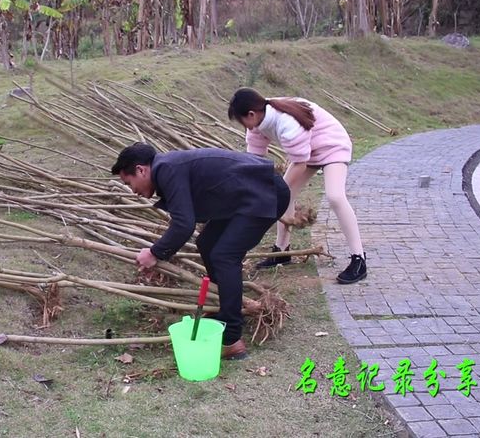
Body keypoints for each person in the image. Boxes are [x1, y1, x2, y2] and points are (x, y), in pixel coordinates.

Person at [111, 142, 290, 360]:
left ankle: (232, 339)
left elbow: (183, 224)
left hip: (265, 192)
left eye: (129, 183)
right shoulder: (168, 168)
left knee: (224, 255)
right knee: (207, 243)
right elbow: (185, 221)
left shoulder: (166, 169)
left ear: (141, 170)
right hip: (248, 196)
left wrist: (154, 252)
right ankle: (222, 305)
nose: (133, 191)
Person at [227, 87, 367, 284]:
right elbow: (254, 161)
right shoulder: (258, 122)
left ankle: (359, 259)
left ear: (251, 113)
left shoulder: (287, 122)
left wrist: (276, 189)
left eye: (243, 122)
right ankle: (282, 252)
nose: (246, 127)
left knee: (334, 196)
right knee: (286, 195)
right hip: (307, 151)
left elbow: (300, 164)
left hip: (332, 146)